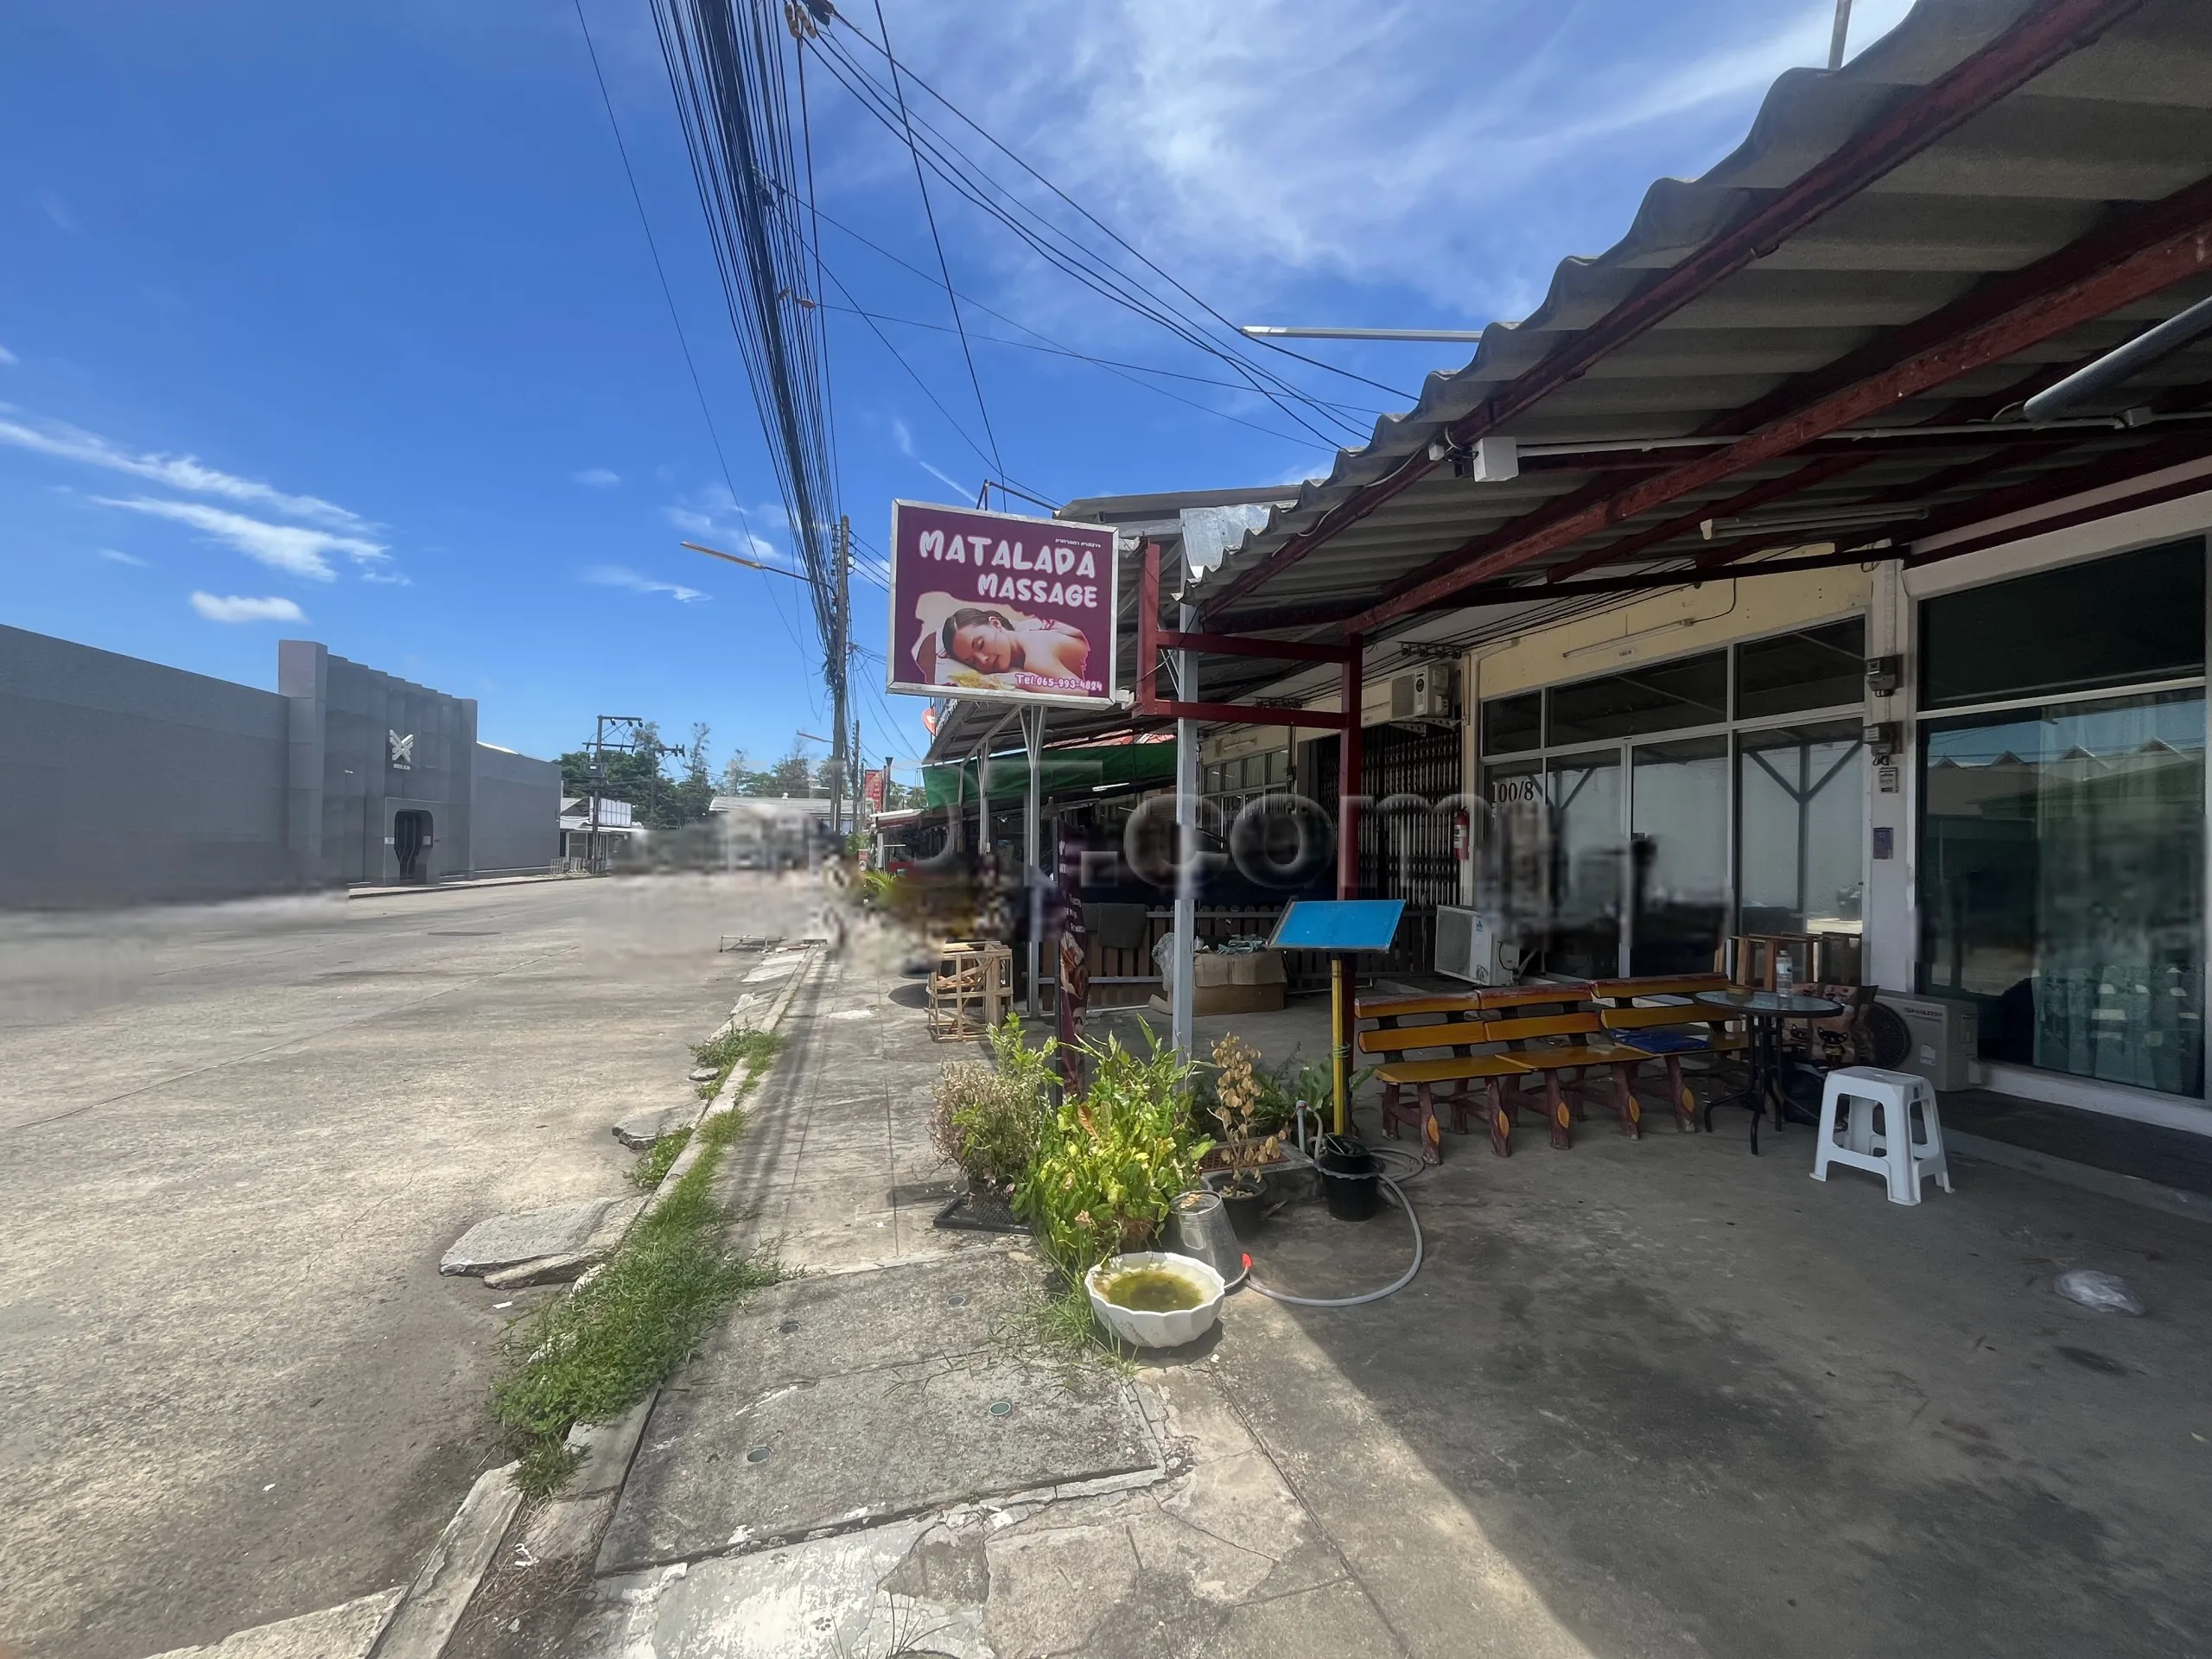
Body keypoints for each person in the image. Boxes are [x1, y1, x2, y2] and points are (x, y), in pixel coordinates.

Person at [940, 607, 1090, 683]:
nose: (983, 660)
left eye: (981, 644)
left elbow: (1083, 692)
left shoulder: (1035, 655)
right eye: (972, 661)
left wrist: (1022, 680)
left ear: (995, 623)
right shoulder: (1021, 638)